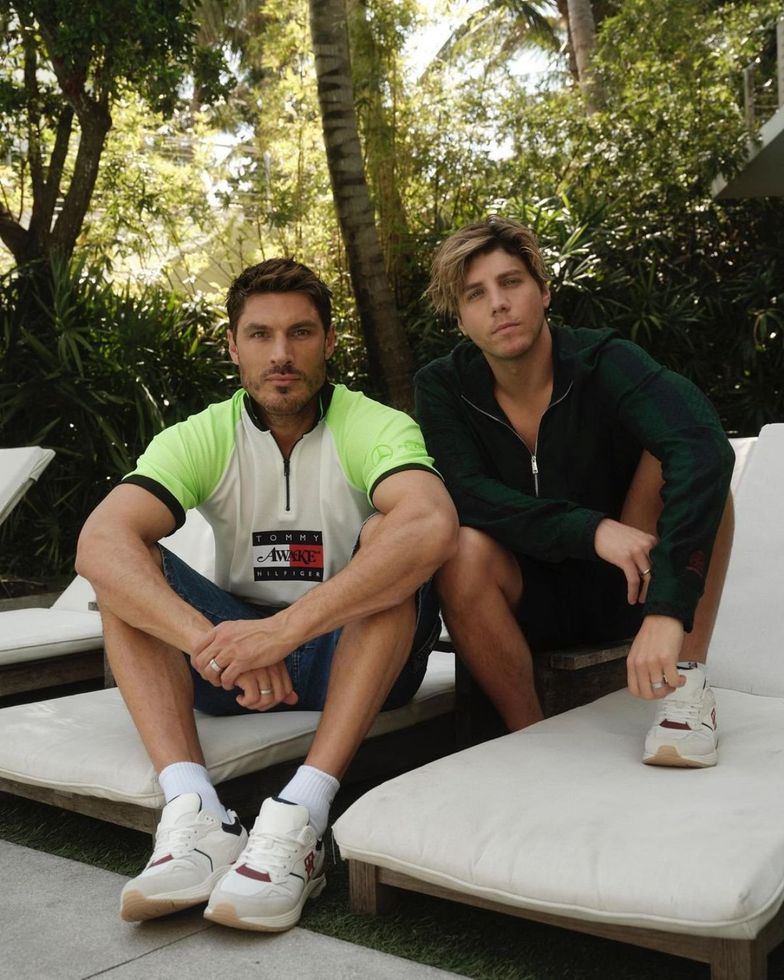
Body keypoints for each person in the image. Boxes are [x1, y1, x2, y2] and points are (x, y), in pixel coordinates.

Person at [76, 257, 457, 932]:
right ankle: (195, 811)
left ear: (329, 341)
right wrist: (216, 645)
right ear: (233, 346)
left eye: (300, 333)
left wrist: (284, 633)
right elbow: (98, 544)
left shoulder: (372, 424)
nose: (281, 354)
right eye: (260, 334)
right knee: (124, 571)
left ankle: (303, 814)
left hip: (355, 656)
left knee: (391, 544)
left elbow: (431, 524)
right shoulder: (203, 434)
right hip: (233, 665)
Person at [415, 216, 735, 768]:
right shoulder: (443, 385)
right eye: (475, 294)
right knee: (461, 547)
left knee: (690, 466)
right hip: (521, 599)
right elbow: (465, 493)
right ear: (461, 320)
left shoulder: (603, 360)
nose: (498, 303)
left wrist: (668, 609)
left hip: (629, 581)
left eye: (510, 282)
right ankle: (529, 736)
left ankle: (684, 689)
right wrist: (590, 530)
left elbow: (704, 446)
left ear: (543, 291)